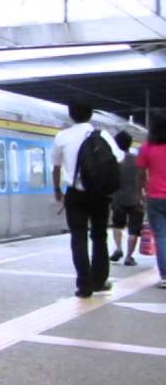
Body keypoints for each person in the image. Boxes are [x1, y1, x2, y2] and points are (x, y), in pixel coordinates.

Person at [51, 99, 123, 298]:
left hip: (75, 193)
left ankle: (84, 285)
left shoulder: (62, 136)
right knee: (99, 236)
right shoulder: (103, 135)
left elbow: (56, 167)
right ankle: (99, 280)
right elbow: (118, 158)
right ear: (91, 115)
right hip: (99, 193)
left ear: (71, 114)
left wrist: (58, 191)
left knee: (78, 238)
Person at [137, 115, 166, 288]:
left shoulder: (147, 147)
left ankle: (165, 276)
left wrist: (142, 191)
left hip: (155, 196)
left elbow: (140, 173)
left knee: (161, 236)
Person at [110, 131, 142, 266]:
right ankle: (129, 257)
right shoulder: (137, 160)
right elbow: (142, 178)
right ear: (130, 144)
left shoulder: (114, 160)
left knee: (117, 225)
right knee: (134, 229)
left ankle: (118, 249)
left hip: (117, 198)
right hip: (135, 198)